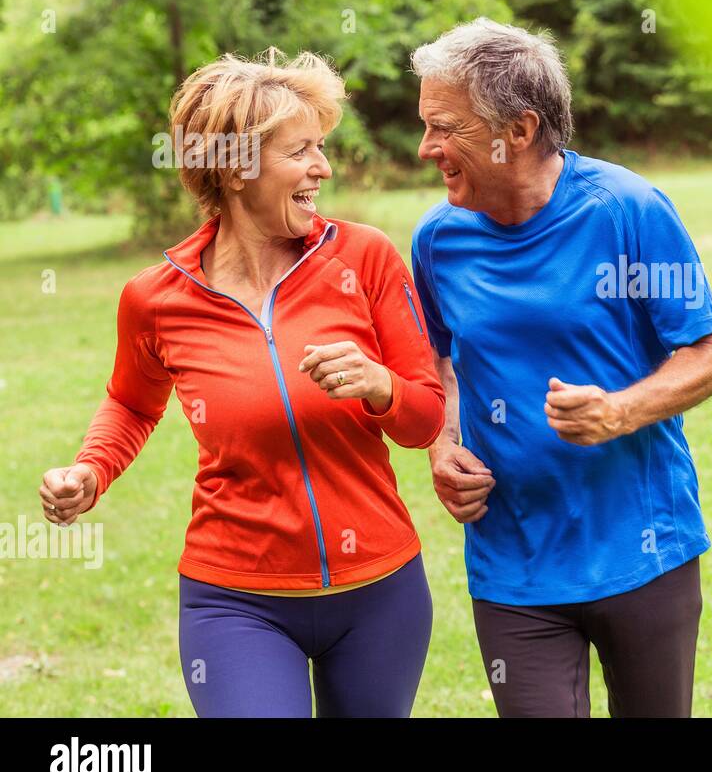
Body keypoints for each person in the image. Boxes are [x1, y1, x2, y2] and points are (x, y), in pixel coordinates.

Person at [37, 49, 445, 717]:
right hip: (235, 600)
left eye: (322, 147)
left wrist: (380, 386)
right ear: (233, 168)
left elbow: (425, 418)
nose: (324, 167)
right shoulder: (155, 298)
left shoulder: (364, 257)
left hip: (379, 589)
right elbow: (131, 403)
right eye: (302, 151)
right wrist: (90, 470)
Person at [409, 18, 712, 717]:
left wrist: (619, 411)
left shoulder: (631, 210)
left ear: (518, 130)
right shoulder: (437, 239)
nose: (426, 147)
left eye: (445, 127)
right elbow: (437, 358)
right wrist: (443, 445)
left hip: (643, 549)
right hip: (514, 562)